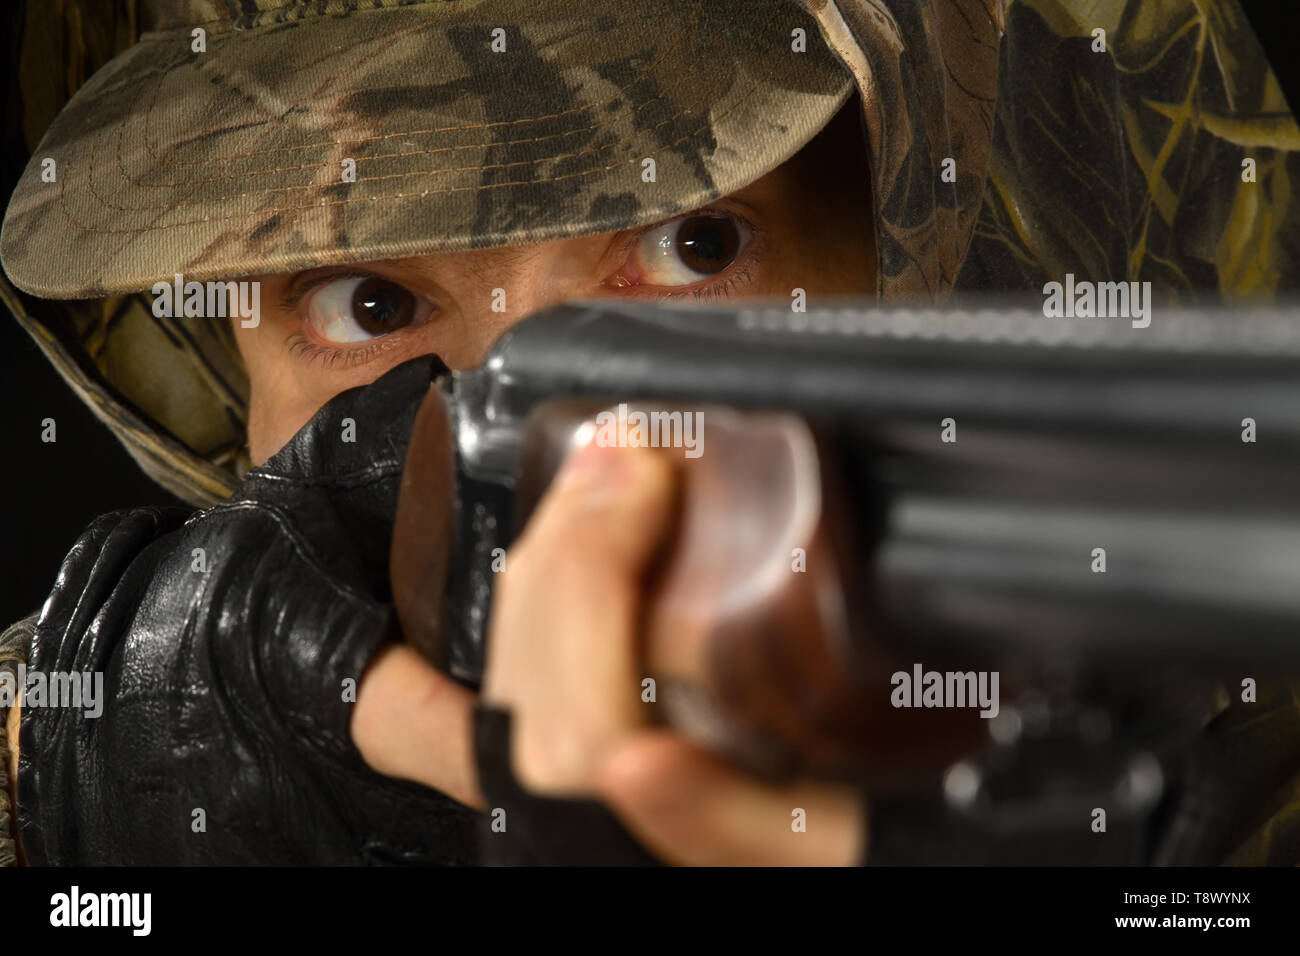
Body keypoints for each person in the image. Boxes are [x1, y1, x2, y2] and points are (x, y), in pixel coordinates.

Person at [4, 0, 1300, 866]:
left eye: (697, 246)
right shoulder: (164, 711)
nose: (516, 405)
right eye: (371, 303)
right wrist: (83, 765)